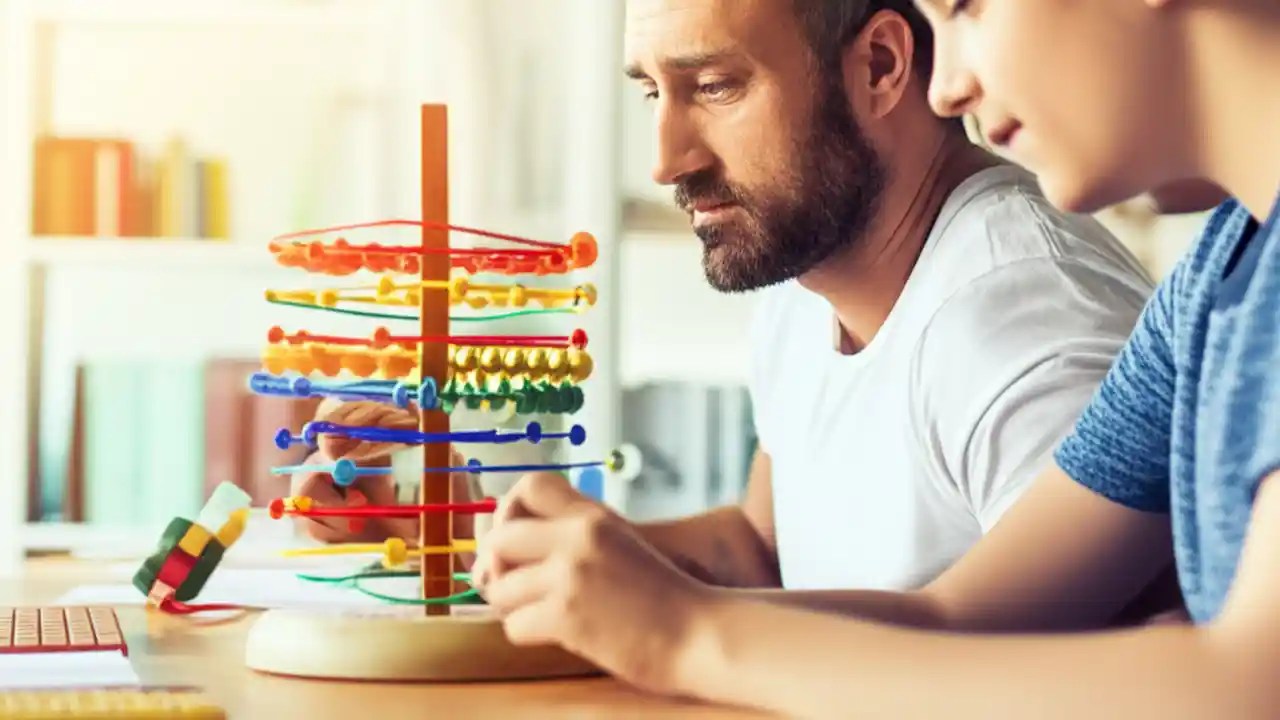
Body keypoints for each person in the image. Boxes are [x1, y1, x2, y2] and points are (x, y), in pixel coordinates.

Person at [472, 0, 1280, 717]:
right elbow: (957, 617)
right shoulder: (1218, 277)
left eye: (968, 8)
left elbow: (1244, 686)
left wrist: (687, 636)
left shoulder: (1026, 300)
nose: (949, 86)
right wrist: (493, 546)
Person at [295, 0, 1155, 605]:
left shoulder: (1020, 314)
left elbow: (1081, 669)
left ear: (881, 67)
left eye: (713, 86)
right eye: (650, 92)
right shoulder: (806, 282)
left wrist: (668, 631)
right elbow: (758, 552)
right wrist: (450, 539)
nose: (666, 159)